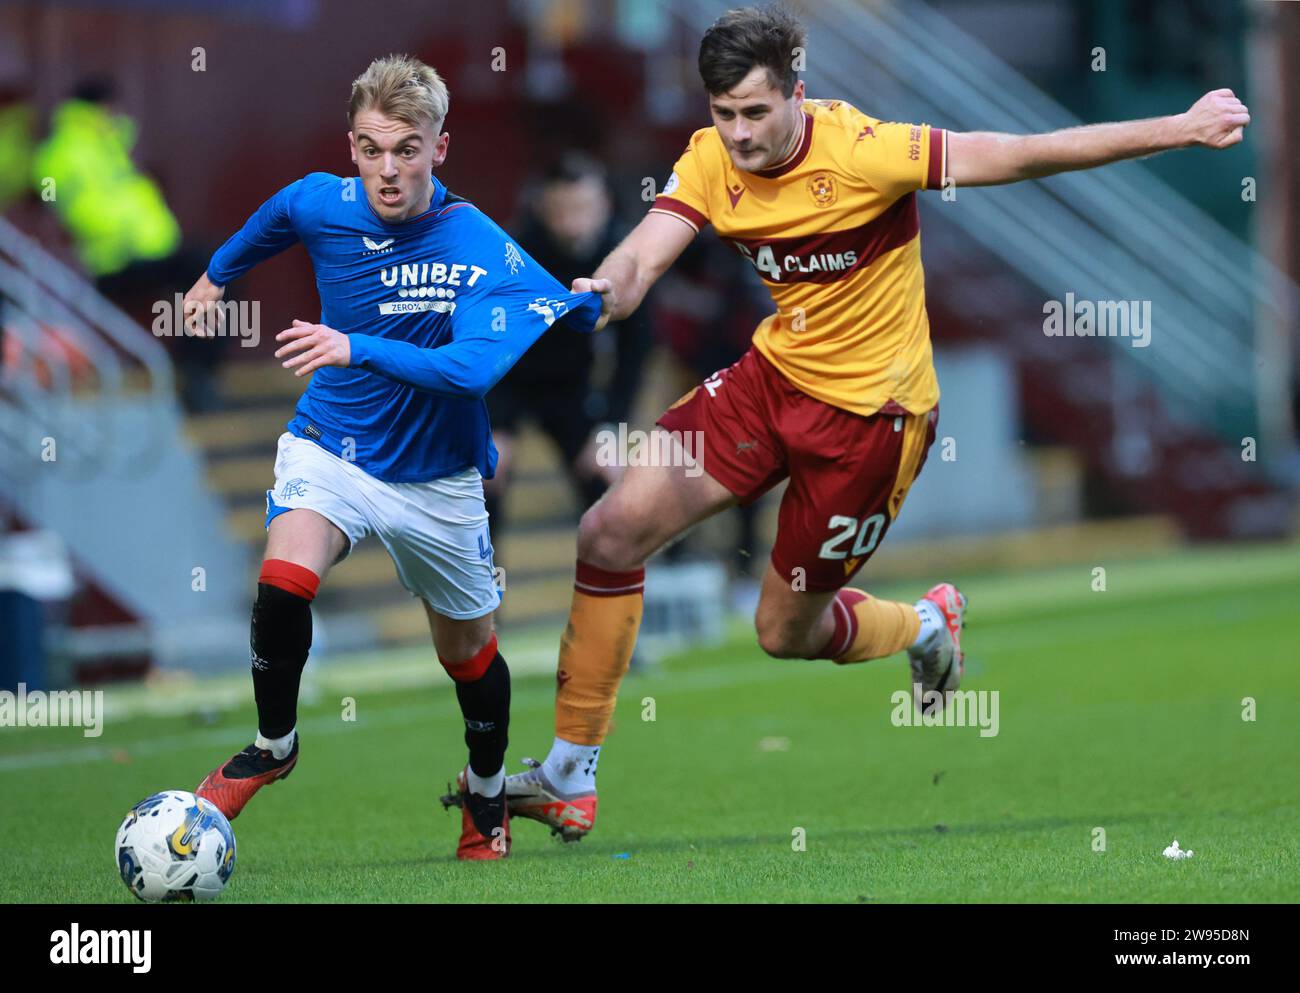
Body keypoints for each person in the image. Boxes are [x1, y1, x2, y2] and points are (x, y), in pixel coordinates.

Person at [496, 4, 1252, 841]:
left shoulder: (866, 151)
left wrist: (1176, 128)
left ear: (797, 94)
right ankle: (569, 774)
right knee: (608, 530)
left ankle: (927, 622)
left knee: (785, 632)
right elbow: (642, 252)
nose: (739, 133)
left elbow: (1019, 152)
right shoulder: (711, 160)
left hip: (872, 421)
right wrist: (604, 291)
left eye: (755, 111)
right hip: (770, 381)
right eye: (723, 113)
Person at [181, 54, 600, 860]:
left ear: (439, 149)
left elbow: (473, 370)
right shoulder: (322, 201)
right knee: (283, 580)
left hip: (439, 478)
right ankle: (274, 744)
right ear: (351, 146)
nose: (387, 169)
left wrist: (353, 345)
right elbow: (275, 215)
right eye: (371, 148)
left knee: (469, 654)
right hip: (332, 446)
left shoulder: (479, 243)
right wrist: (214, 277)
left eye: (407, 148)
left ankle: (485, 796)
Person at [484, 153, 651, 554]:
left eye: (583, 210)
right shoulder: (515, 250)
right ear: (543, 208)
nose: (572, 223)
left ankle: (608, 589)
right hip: (508, 378)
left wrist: (612, 423)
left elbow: (637, 347)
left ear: (604, 206)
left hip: (572, 386)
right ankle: (484, 601)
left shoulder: (621, 253)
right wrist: (491, 423)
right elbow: (484, 337)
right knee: (487, 474)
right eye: (561, 211)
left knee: (605, 477)